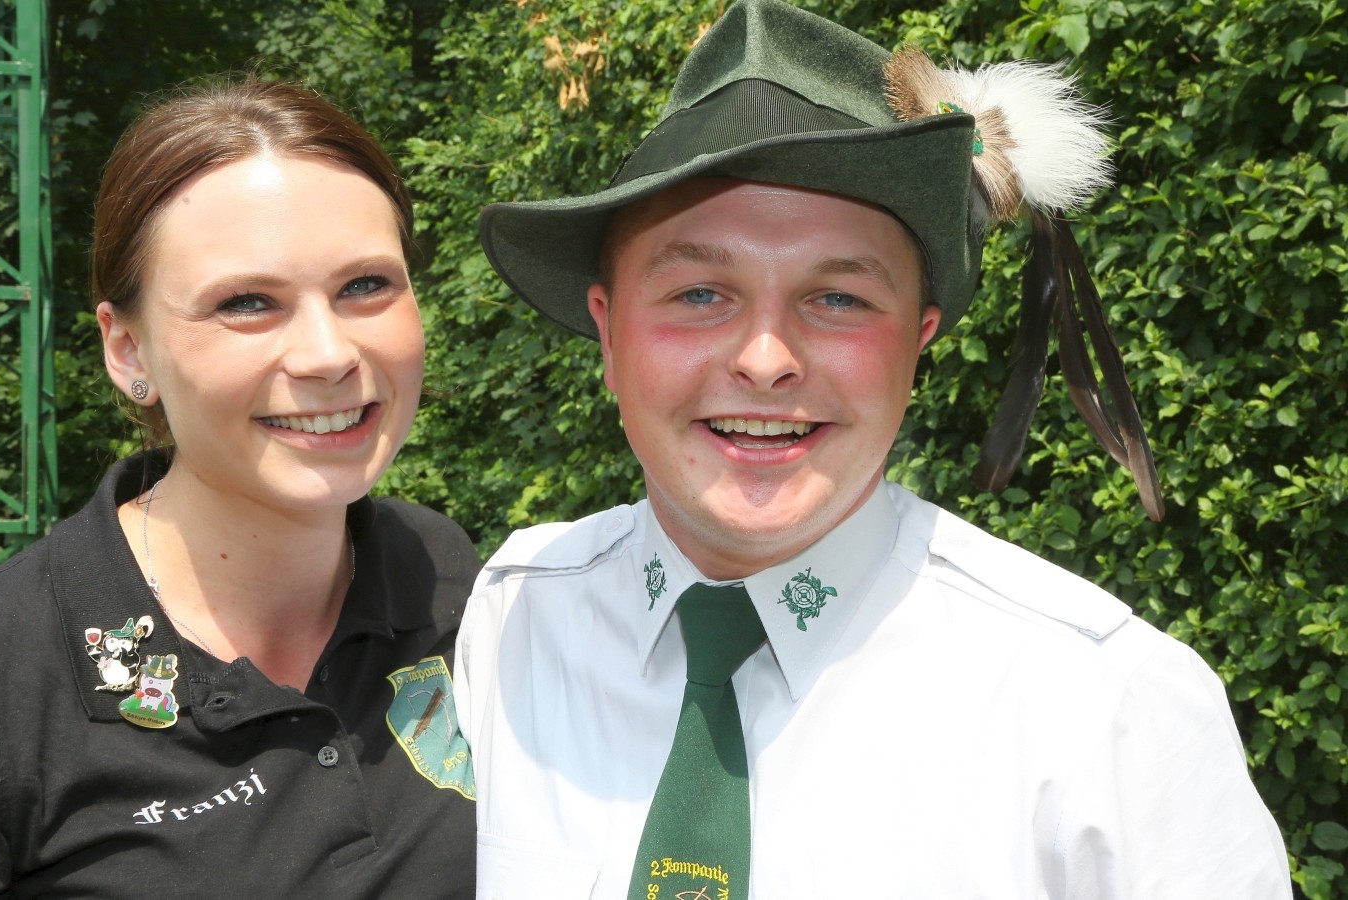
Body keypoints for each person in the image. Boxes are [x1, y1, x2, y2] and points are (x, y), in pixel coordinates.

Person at [455, 1, 1290, 897]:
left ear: (917, 343)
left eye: (840, 299)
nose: (766, 360)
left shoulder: (1105, 715)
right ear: (609, 334)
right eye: (699, 293)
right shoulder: (516, 622)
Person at [0, 77, 479, 897]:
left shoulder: (442, 577)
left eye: (365, 286)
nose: (327, 353)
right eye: (247, 302)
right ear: (129, 352)